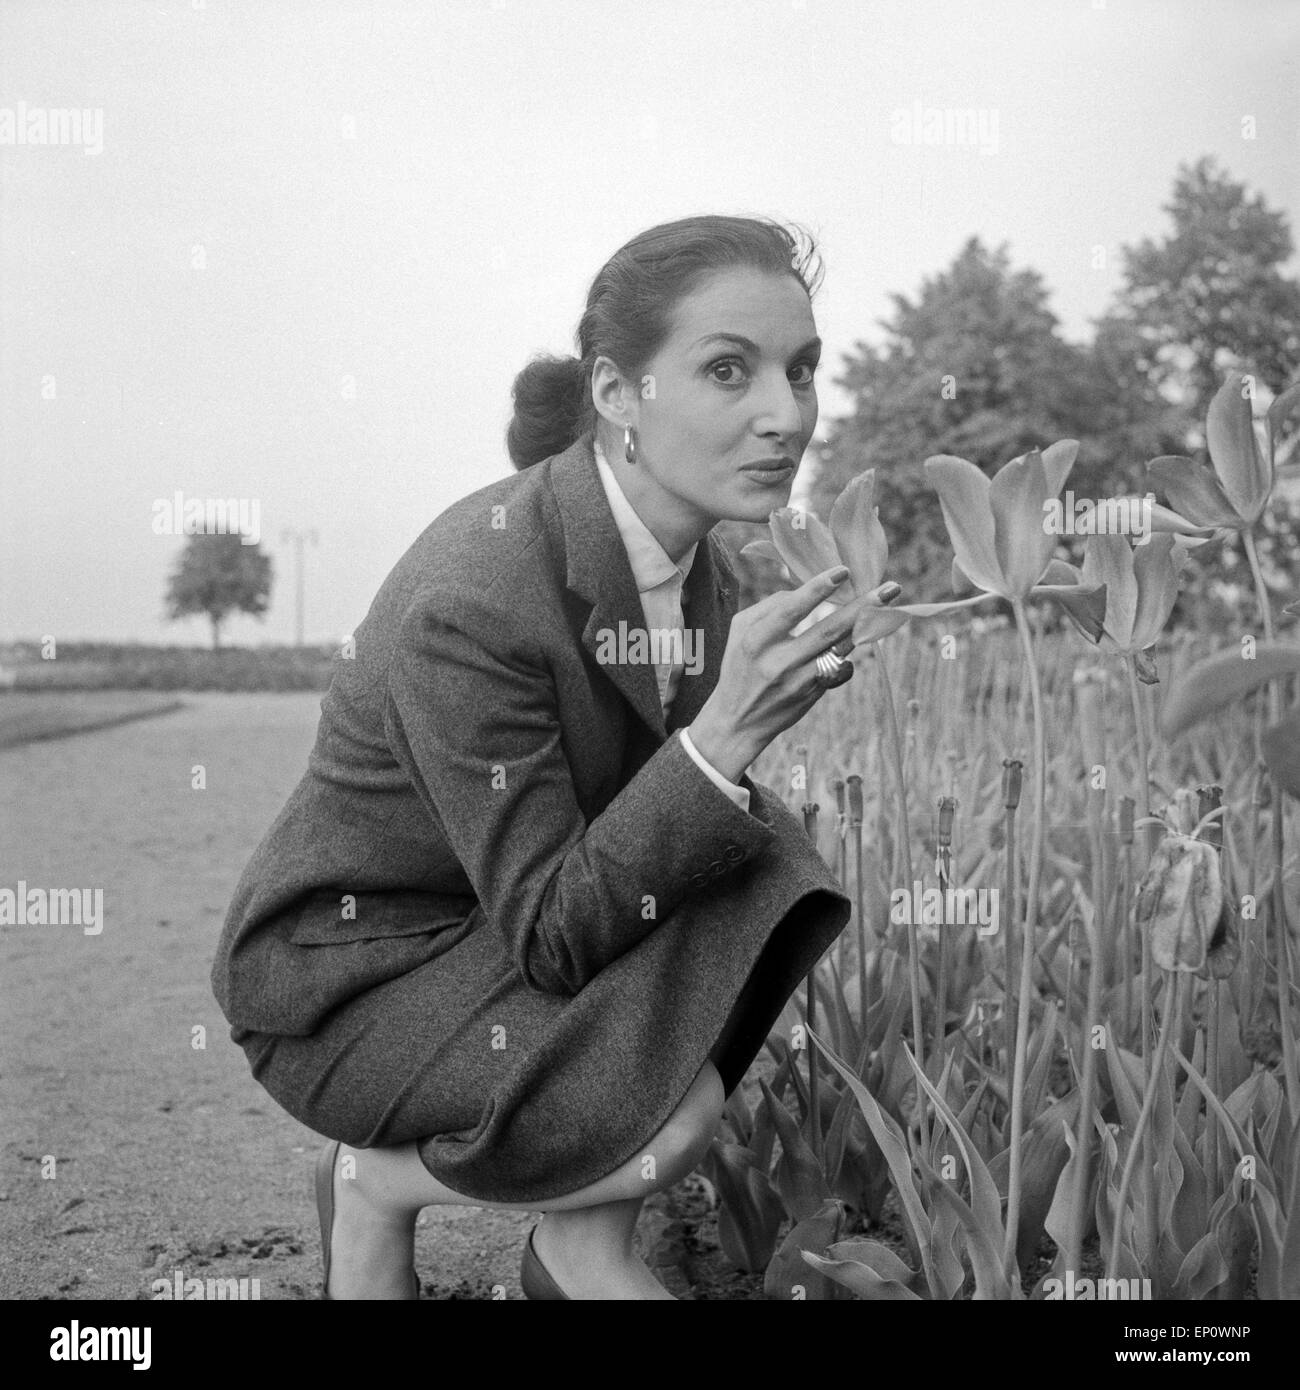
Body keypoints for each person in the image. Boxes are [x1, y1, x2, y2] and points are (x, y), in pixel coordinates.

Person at [211, 213, 898, 1299]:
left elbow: (638, 869)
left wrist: (721, 751)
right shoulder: (477, 597)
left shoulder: (703, 574)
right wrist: (722, 737)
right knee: (668, 1110)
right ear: (619, 395)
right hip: (355, 982)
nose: (788, 415)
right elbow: (557, 925)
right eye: (730, 370)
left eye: (801, 370)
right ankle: (377, 1185)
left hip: (492, 936)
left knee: (750, 860)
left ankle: (577, 1247)